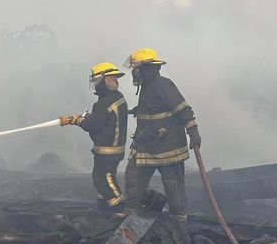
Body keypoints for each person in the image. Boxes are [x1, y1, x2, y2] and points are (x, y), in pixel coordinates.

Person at [122, 48, 200, 222]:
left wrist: (193, 132)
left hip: (168, 146)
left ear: (147, 68)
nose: (134, 72)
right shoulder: (147, 86)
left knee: (173, 185)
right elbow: (155, 108)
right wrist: (138, 110)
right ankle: (130, 214)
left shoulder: (164, 85)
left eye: (137, 68)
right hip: (146, 144)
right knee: (133, 177)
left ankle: (179, 219)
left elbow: (184, 110)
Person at [60, 62, 128, 209]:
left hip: (107, 150)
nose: (95, 85)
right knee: (101, 177)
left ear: (104, 81)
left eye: (97, 81)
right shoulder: (117, 97)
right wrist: (84, 118)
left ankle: (118, 205)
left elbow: (93, 125)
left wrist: (76, 120)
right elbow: (101, 119)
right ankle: (106, 203)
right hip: (113, 148)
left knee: (105, 178)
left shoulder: (104, 103)